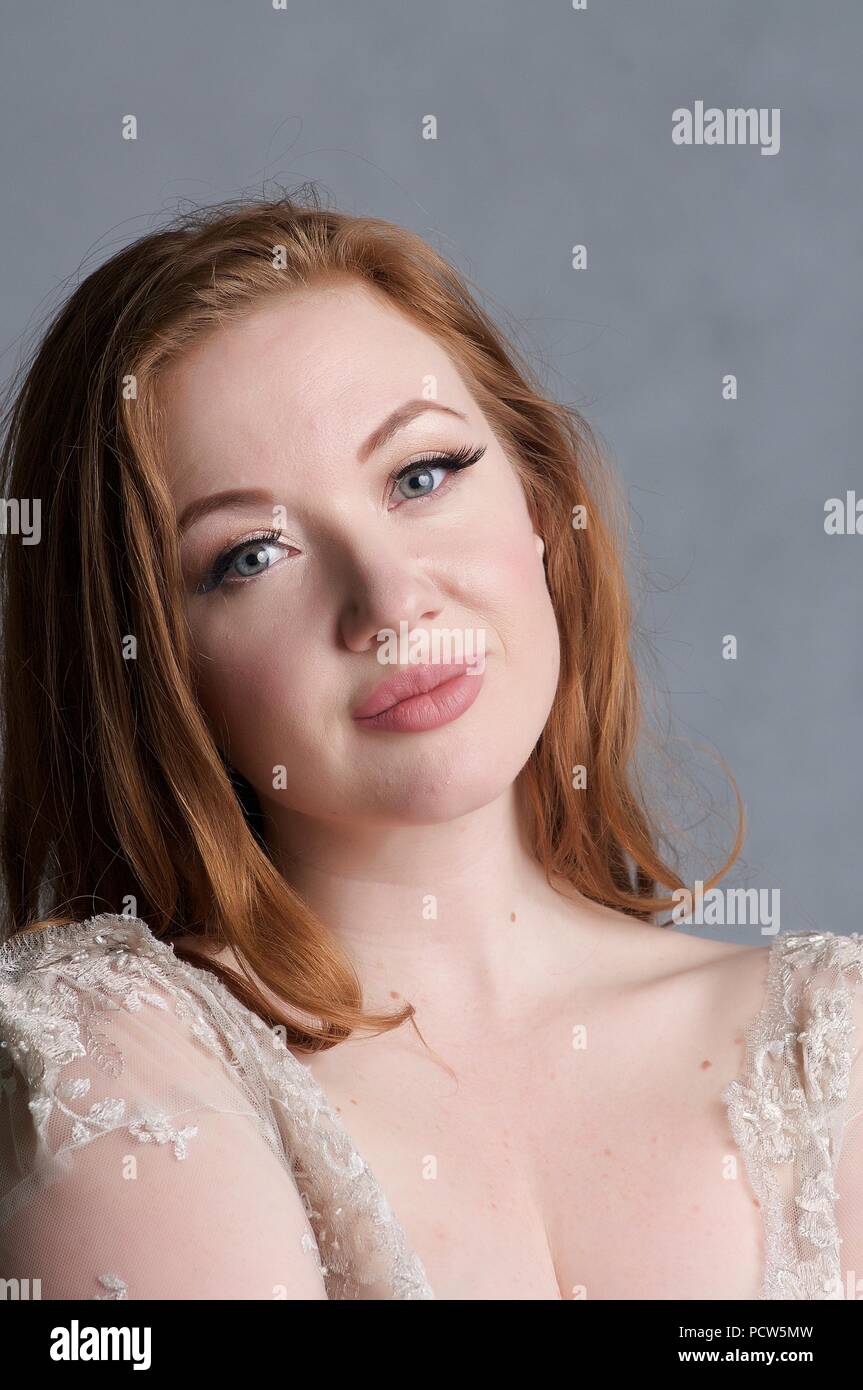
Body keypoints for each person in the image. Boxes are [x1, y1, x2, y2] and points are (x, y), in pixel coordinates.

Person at [0, 191, 860, 1301]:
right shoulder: (104, 1041)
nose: (391, 599)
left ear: (541, 504)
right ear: (144, 660)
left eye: (421, 475)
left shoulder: (825, 1040)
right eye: (250, 554)